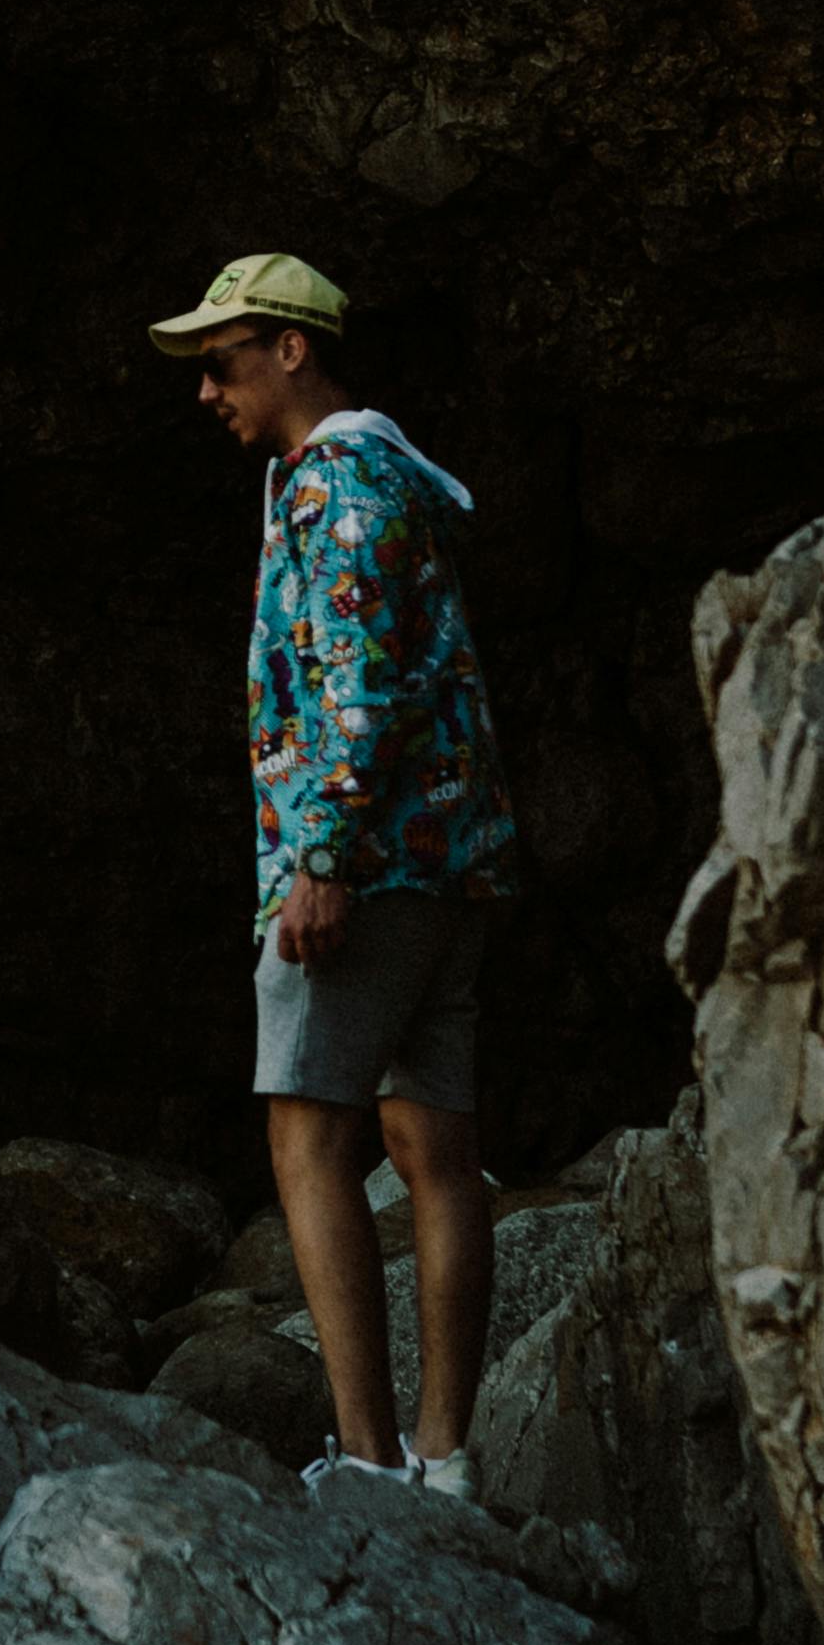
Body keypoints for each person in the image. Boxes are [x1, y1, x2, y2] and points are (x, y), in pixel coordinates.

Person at [149, 246, 518, 1495]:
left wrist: (318, 857)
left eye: (221, 363)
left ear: (290, 347)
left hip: (367, 867)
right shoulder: (388, 474)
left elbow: (357, 691)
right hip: (449, 863)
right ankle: (448, 1460)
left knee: (307, 1134)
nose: (208, 392)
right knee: (433, 1141)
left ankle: (365, 1464)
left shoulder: (331, 486)